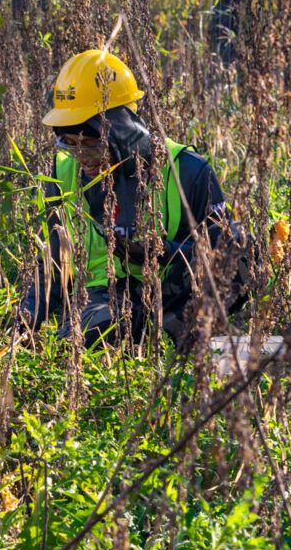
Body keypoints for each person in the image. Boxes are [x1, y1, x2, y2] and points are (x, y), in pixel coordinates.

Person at [15, 48, 257, 350]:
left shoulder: (188, 170)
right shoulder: (62, 172)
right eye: (69, 143)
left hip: (174, 296)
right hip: (102, 301)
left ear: (121, 129)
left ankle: (187, 341)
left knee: (240, 245)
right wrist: (24, 321)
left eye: (89, 144)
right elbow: (52, 262)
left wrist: (162, 252)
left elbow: (222, 249)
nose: (80, 156)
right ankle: (129, 341)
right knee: (89, 337)